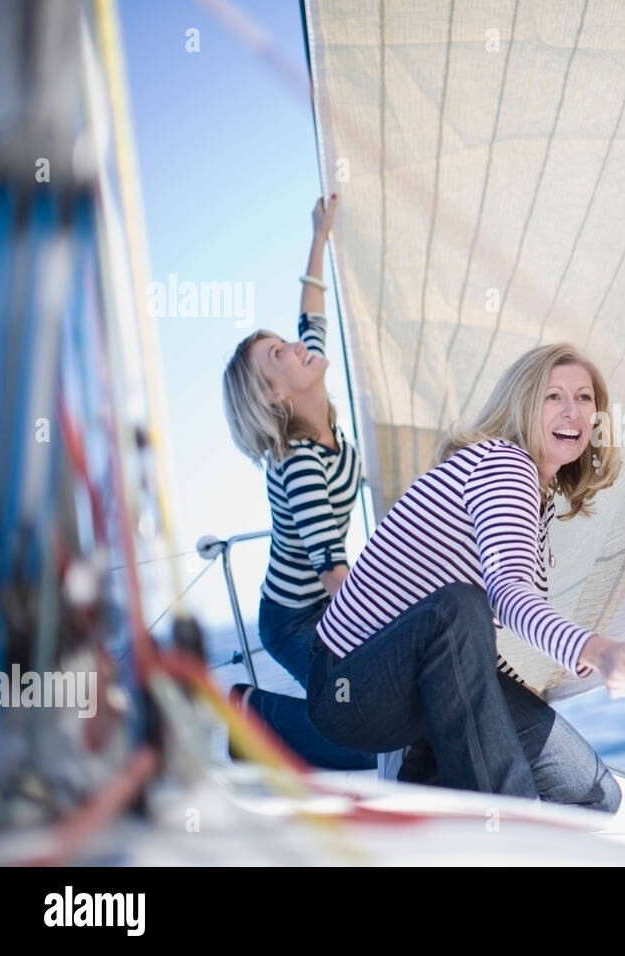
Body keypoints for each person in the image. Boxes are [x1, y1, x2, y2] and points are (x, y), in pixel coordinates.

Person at [306, 344, 625, 812]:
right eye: (553, 397)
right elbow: (504, 595)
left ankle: (427, 786)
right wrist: (597, 651)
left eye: (585, 398)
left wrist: (512, 692)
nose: (572, 411)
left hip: (422, 678)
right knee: (460, 604)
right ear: (523, 405)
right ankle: (502, 828)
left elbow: (471, 638)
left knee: (590, 793)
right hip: (352, 688)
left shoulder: (534, 491)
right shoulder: (504, 464)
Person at [220, 194, 375, 771]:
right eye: (281, 353)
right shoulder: (301, 463)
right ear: (276, 396)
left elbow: (314, 315)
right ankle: (250, 717)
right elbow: (333, 569)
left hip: (322, 601)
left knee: (379, 712)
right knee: (370, 740)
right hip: (294, 619)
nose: (301, 346)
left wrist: (321, 233)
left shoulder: (315, 401)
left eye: (288, 342)